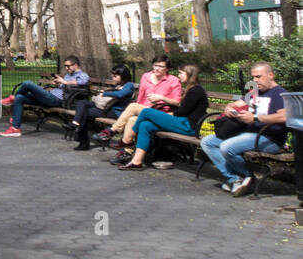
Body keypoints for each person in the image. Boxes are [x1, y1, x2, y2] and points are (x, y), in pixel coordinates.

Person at [200, 62, 289, 196]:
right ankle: (235, 179)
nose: (255, 80)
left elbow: (284, 116)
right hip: (248, 134)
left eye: (258, 77)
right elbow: (235, 104)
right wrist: (229, 108)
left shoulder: (279, 93)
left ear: (271, 75)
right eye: (253, 77)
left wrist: (256, 118)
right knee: (208, 141)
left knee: (226, 147)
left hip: (269, 138)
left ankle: (248, 177)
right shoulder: (254, 92)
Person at [118, 64, 208, 170]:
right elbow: (182, 111)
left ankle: (128, 139)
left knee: (147, 112)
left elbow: (182, 111)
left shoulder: (196, 90)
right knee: (145, 125)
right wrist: (166, 115)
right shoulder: (191, 89)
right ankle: (137, 162)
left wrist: (166, 115)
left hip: (189, 126)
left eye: (181, 73)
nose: (179, 76)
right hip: (183, 122)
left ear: (189, 74)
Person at [96, 57, 182, 145]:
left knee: (133, 107)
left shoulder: (173, 81)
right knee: (132, 119)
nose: (156, 68)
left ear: (167, 68)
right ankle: (127, 151)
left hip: (161, 112)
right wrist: (137, 110)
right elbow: (141, 96)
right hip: (144, 109)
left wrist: (162, 98)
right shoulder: (146, 76)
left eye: (161, 66)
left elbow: (177, 102)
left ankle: (112, 130)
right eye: (155, 65)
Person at [0, 56, 90, 137]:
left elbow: (82, 82)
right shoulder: (68, 75)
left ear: (75, 65)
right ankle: (15, 129)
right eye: (65, 66)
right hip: (50, 96)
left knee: (27, 83)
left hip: (56, 100)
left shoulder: (83, 75)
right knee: (20, 98)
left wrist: (65, 82)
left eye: (68, 66)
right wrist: (58, 83)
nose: (66, 68)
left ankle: (12, 98)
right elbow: (63, 87)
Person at [71, 65, 135, 150]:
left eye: (115, 76)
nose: (113, 77)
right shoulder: (119, 85)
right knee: (81, 103)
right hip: (106, 107)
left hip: (115, 111)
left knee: (84, 113)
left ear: (123, 76)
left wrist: (105, 94)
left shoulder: (129, 85)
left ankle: (83, 139)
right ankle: (76, 123)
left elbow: (120, 94)